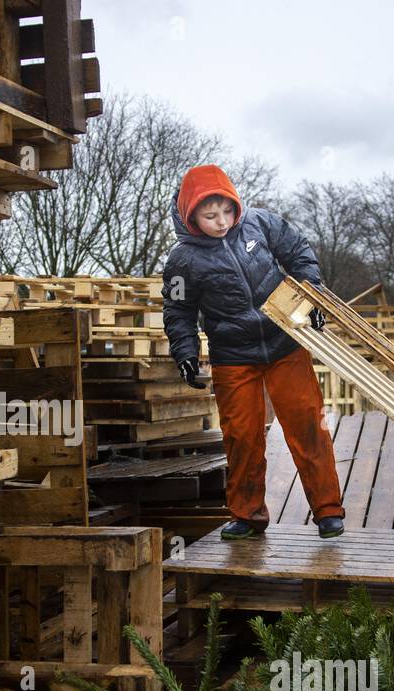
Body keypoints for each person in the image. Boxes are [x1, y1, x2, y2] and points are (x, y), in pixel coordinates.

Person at [162, 164, 346, 540]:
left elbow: (298, 253)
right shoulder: (182, 260)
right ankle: (247, 515)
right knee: (242, 436)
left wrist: (311, 296)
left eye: (227, 211)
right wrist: (185, 351)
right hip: (234, 355)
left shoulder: (259, 224)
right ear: (191, 214)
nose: (222, 221)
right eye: (210, 215)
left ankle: (328, 510)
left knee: (307, 425)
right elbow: (179, 309)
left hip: (285, 343)